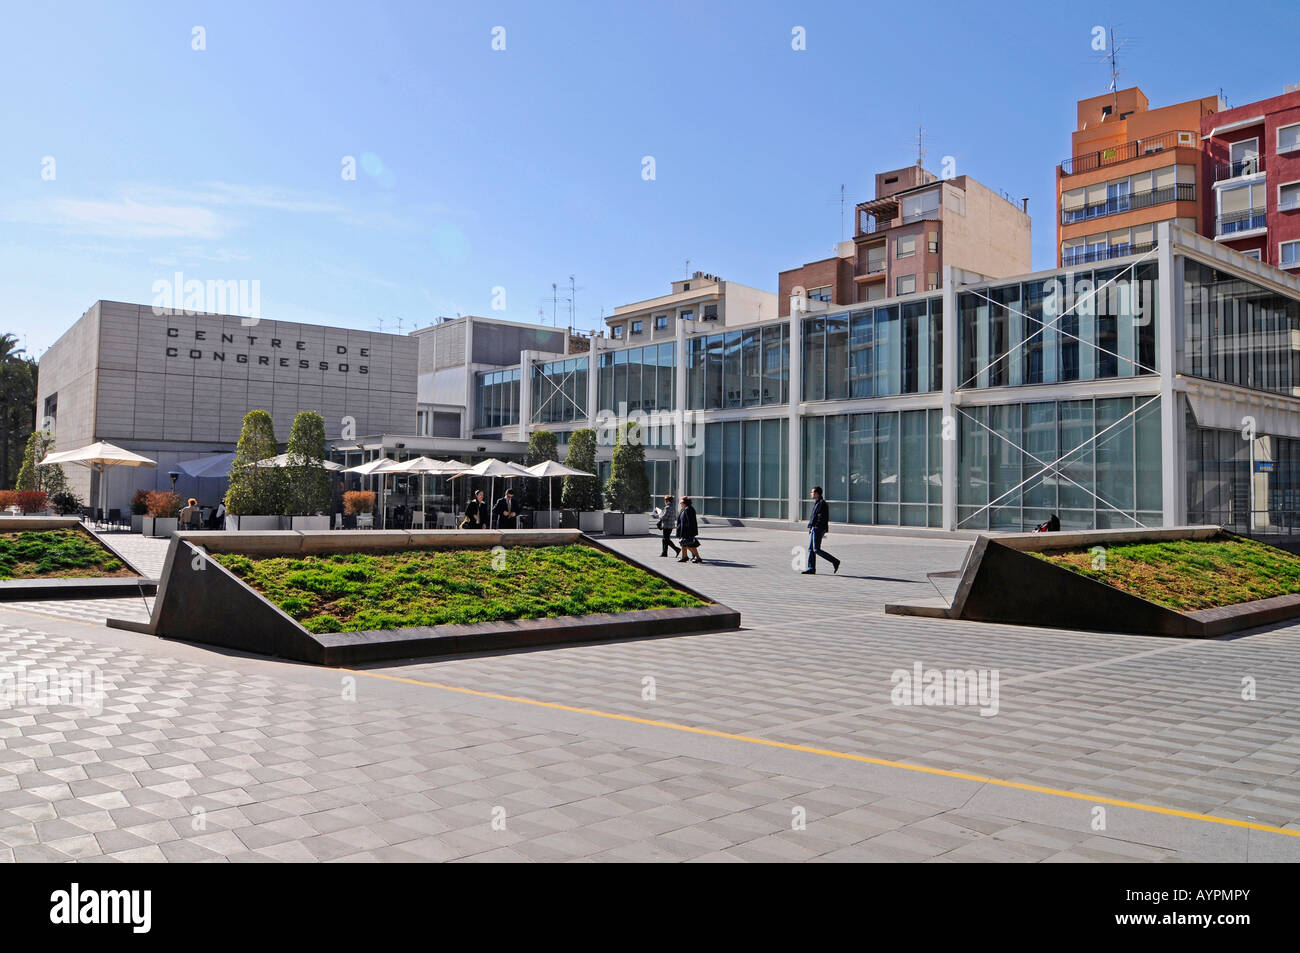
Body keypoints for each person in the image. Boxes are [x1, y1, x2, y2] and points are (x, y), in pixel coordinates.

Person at [802, 486, 840, 575]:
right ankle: (811, 568)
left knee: (816, 549)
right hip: (815, 528)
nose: (811, 494)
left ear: (817, 493)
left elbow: (821, 518)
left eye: (812, 492)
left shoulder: (822, 503)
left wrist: (815, 527)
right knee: (811, 549)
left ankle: (835, 561)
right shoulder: (818, 502)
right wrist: (811, 527)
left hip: (817, 529)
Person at [676, 496, 702, 564]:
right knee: (683, 544)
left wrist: (690, 531)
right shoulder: (684, 509)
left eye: (681, 502)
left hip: (687, 531)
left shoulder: (689, 509)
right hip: (683, 530)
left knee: (690, 545)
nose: (680, 503)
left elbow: (690, 522)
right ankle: (684, 557)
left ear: (685, 502)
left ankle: (698, 558)